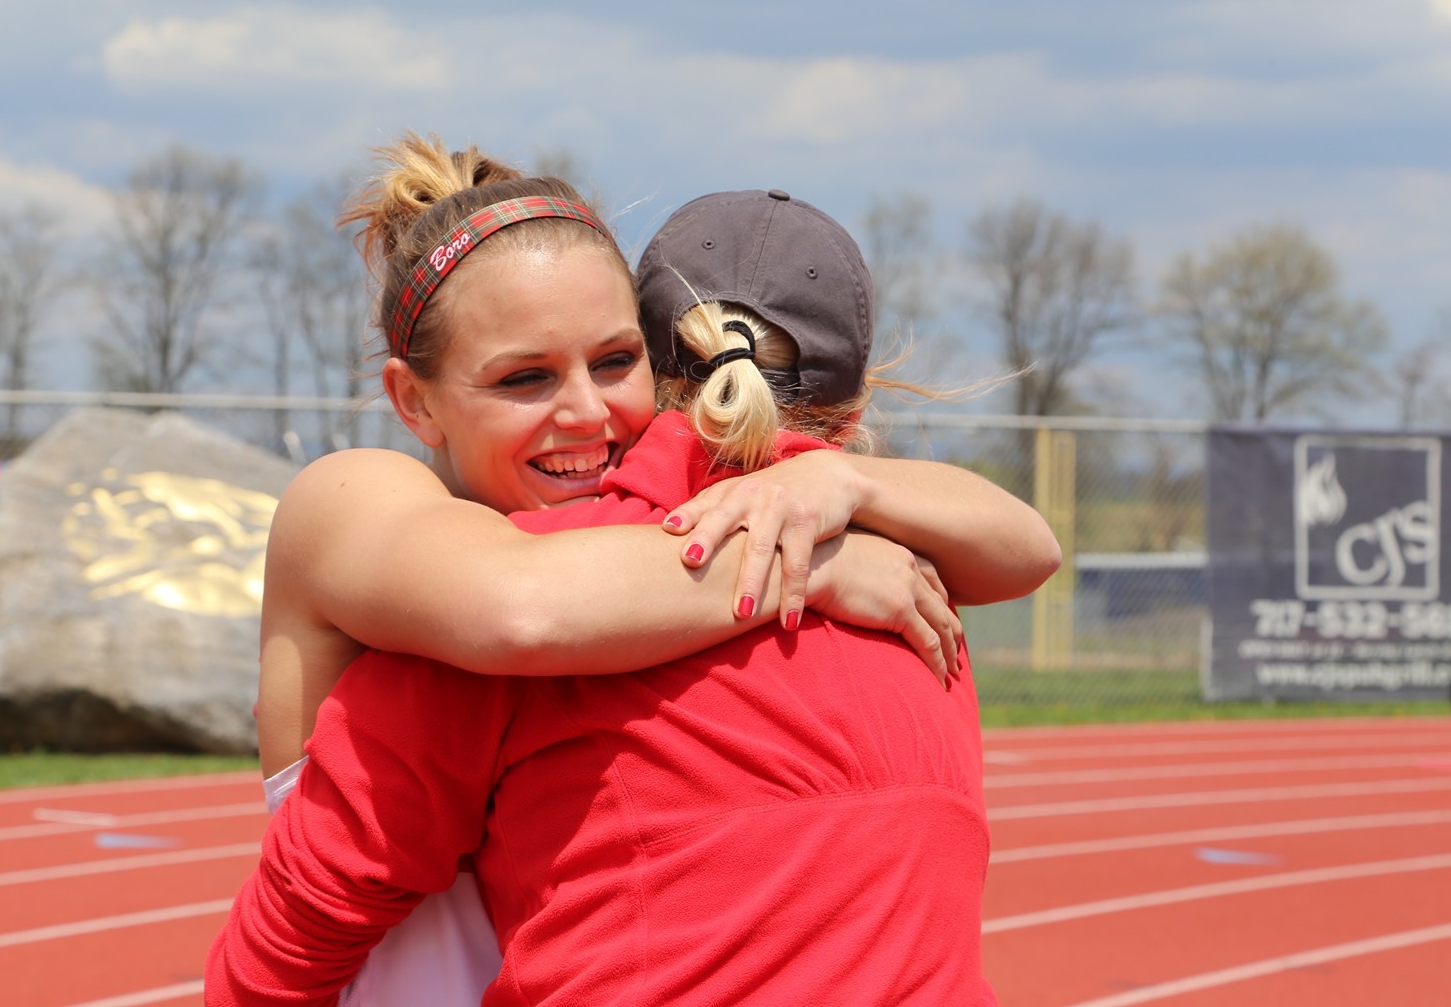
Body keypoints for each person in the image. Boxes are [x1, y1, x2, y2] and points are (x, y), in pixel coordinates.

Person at [207, 146, 1052, 1003]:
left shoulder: (678, 563)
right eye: (525, 377)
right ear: (413, 399)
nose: (586, 411)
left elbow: (1031, 545)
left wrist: (836, 492)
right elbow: (522, 604)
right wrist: (819, 561)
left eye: (615, 361)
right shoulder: (356, 497)